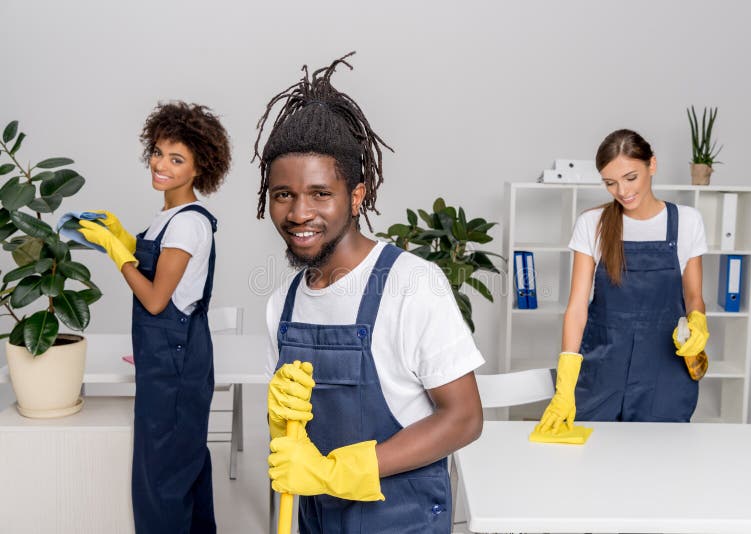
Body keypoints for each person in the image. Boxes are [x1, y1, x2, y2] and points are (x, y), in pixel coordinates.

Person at [256, 52, 484, 534]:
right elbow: (298, 442)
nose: (299, 212)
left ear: (356, 197)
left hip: (400, 520)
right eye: (283, 194)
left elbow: (464, 419)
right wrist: (282, 428)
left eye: (321, 193)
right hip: (318, 519)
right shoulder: (284, 305)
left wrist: (340, 473)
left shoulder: (411, 286)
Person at [78, 101, 231, 533]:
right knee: (184, 460)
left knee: (161, 475)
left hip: (175, 361)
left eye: (176, 159)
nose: (161, 165)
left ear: (200, 168)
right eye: (159, 152)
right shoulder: (169, 215)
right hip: (171, 358)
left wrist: (115, 252)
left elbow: (156, 300)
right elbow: (160, 266)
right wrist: (126, 236)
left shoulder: (188, 223)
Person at [536, 129, 709, 431]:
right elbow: (577, 307)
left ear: (651, 165)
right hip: (603, 371)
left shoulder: (687, 222)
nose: (622, 191)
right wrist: (565, 382)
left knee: (659, 465)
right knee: (592, 464)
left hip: (664, 375)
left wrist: (697, 322)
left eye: (631, 178)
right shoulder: (592, 224)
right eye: (610, 183)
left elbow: (694, 296)